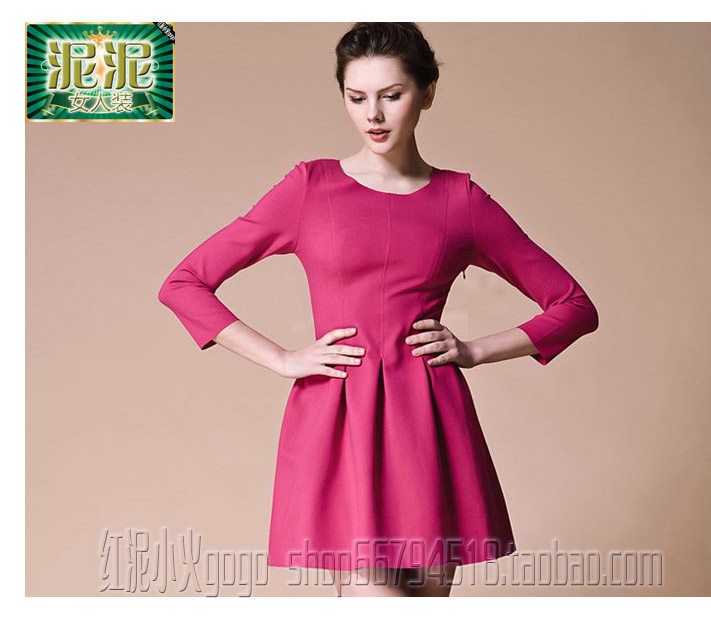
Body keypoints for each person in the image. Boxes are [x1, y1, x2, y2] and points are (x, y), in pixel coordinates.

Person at [157, 22, 599, 597]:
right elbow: (185, 284)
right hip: (341, 416)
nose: (373, 115)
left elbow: (574, 306)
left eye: (391, 95)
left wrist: (474, 350)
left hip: (429, 422)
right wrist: (283, 359)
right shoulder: (310, 187)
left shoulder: (460, 200)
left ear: (427, 92)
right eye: (356, 97)